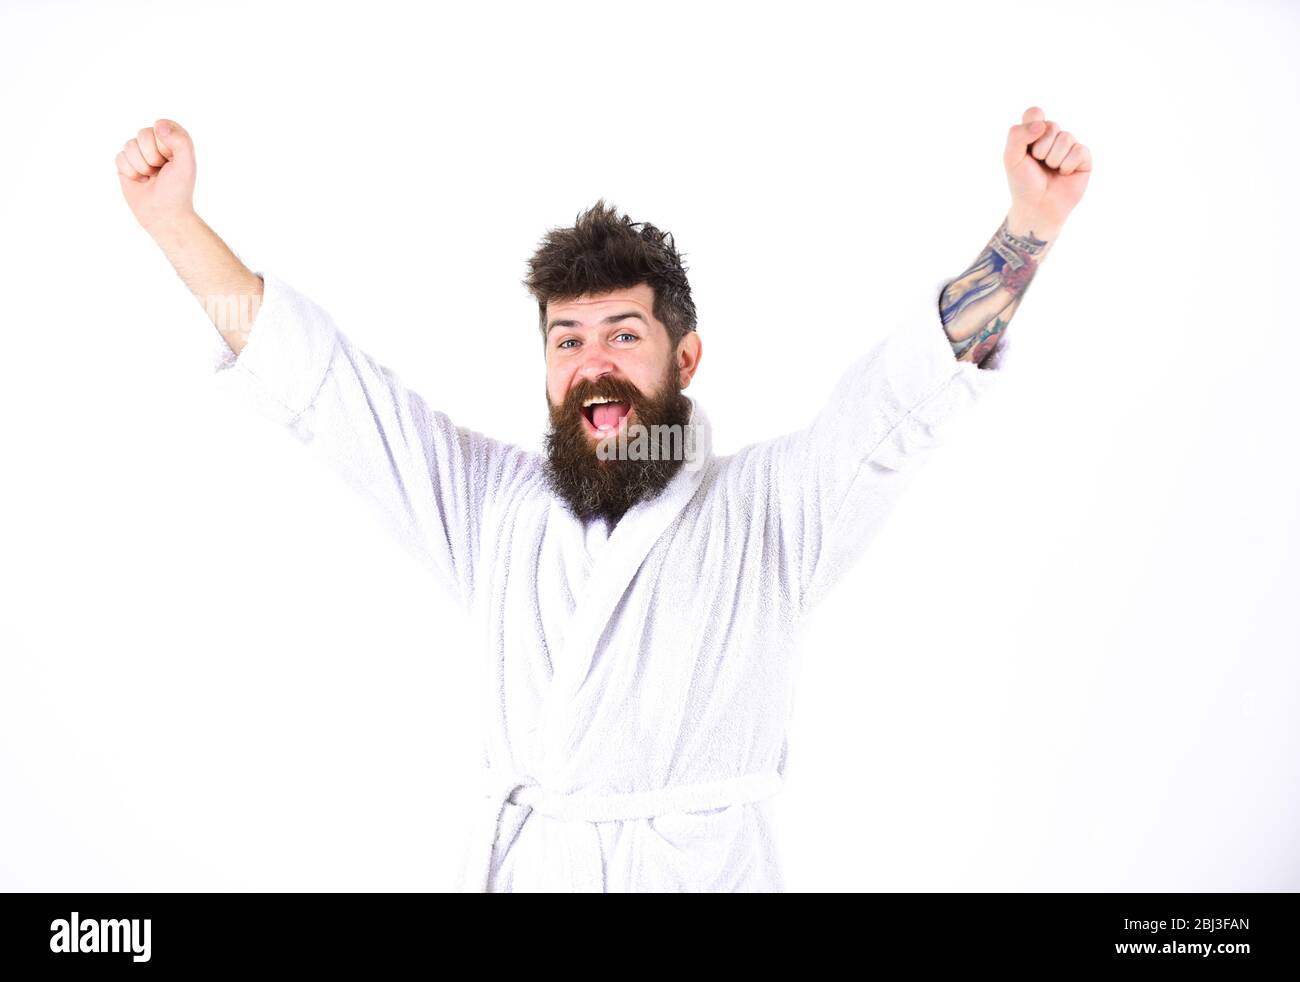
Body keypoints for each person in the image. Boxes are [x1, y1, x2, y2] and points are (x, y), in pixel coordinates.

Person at [114, 107, 1091, 892]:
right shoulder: (492, 509)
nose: (592, 367)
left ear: (685, 358)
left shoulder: (769, 513)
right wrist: (176, 227)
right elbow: (324, 388)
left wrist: (1028, 227)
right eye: (567, 341)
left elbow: (902, 398)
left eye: (623, 335)